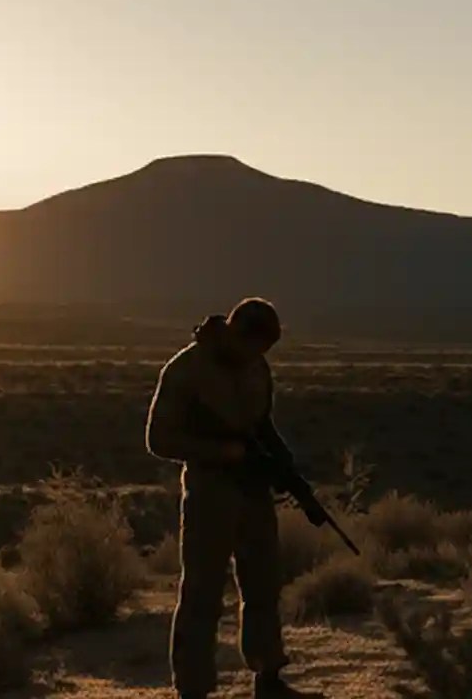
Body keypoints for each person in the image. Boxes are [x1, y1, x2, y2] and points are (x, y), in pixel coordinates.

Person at [145, 297, 319, 699]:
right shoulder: (186, 369)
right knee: (202, 595)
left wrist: (285, 468)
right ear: (237, 333)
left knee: (262, 587)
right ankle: (192, 689)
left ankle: (268, 677)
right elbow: (158, 439)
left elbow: (262, 424)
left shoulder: (257, 366)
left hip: (253, 493)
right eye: (256, 346)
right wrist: (225, 453)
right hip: (209, 494)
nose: (260, 356)